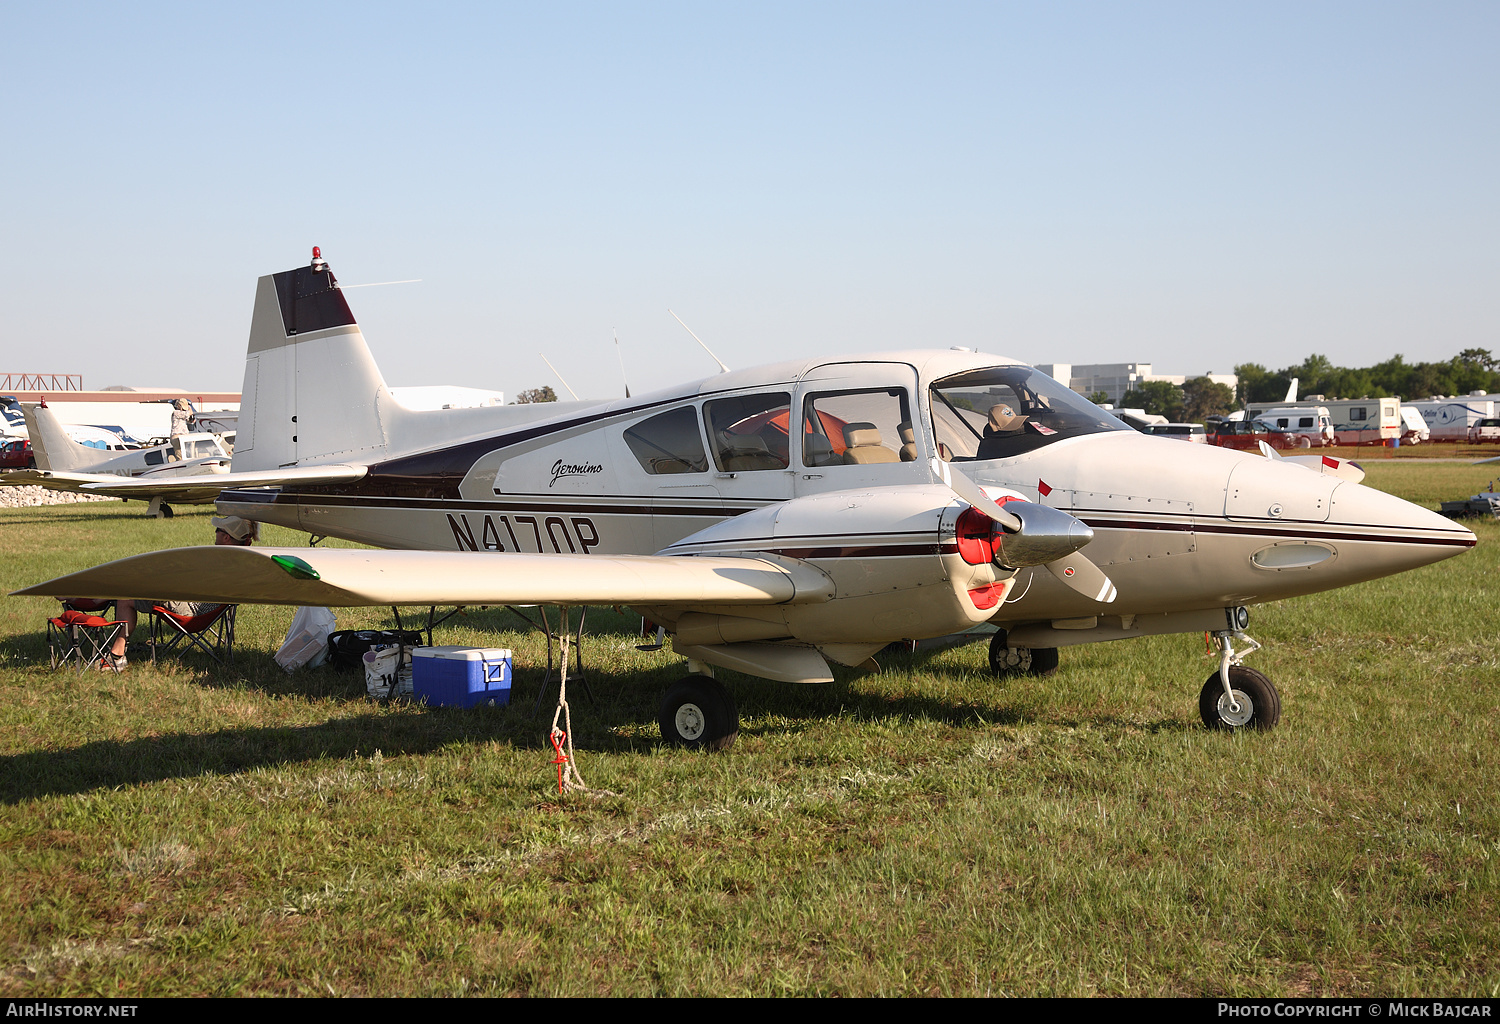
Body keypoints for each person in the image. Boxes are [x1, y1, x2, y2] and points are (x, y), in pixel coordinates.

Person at [91, 515, 259, 670]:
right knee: (130, 592)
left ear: (226, 537)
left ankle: (115, 652)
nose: (215, 532)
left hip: (190, 612)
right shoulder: (238, 559)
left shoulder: (219, 559)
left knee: (130, 591)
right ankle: (115, 648)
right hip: (199, 608)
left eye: (218, 530)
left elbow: (192, 586)